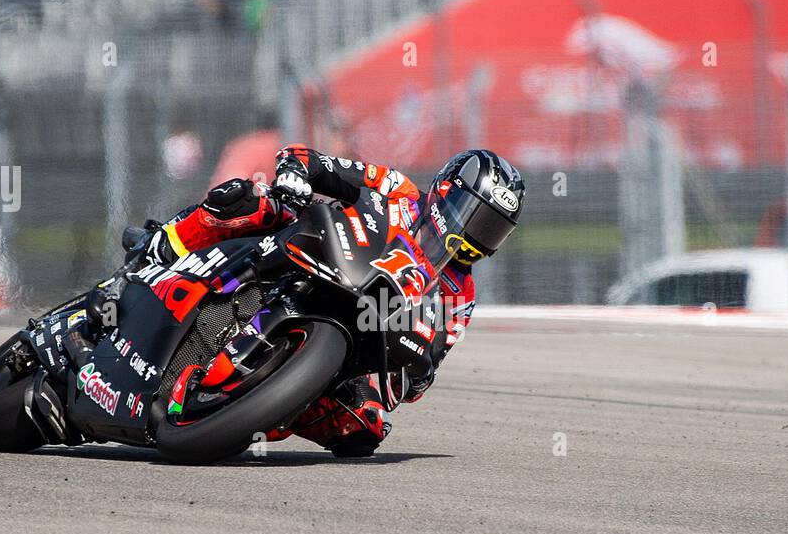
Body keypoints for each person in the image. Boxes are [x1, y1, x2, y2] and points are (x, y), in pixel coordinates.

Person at [56, 145, 524, 456]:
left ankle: (240, 403)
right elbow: (313, 161)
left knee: (364, 432)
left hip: (354, 340)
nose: (475, 234)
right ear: (447, 190)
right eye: (474, 216)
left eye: (491, 229)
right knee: (248, 199)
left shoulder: (459, 294)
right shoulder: (396, 189)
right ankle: (154, 253)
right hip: (308, 252)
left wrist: (413, 373)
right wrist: (297, 174)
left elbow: (423, 370)